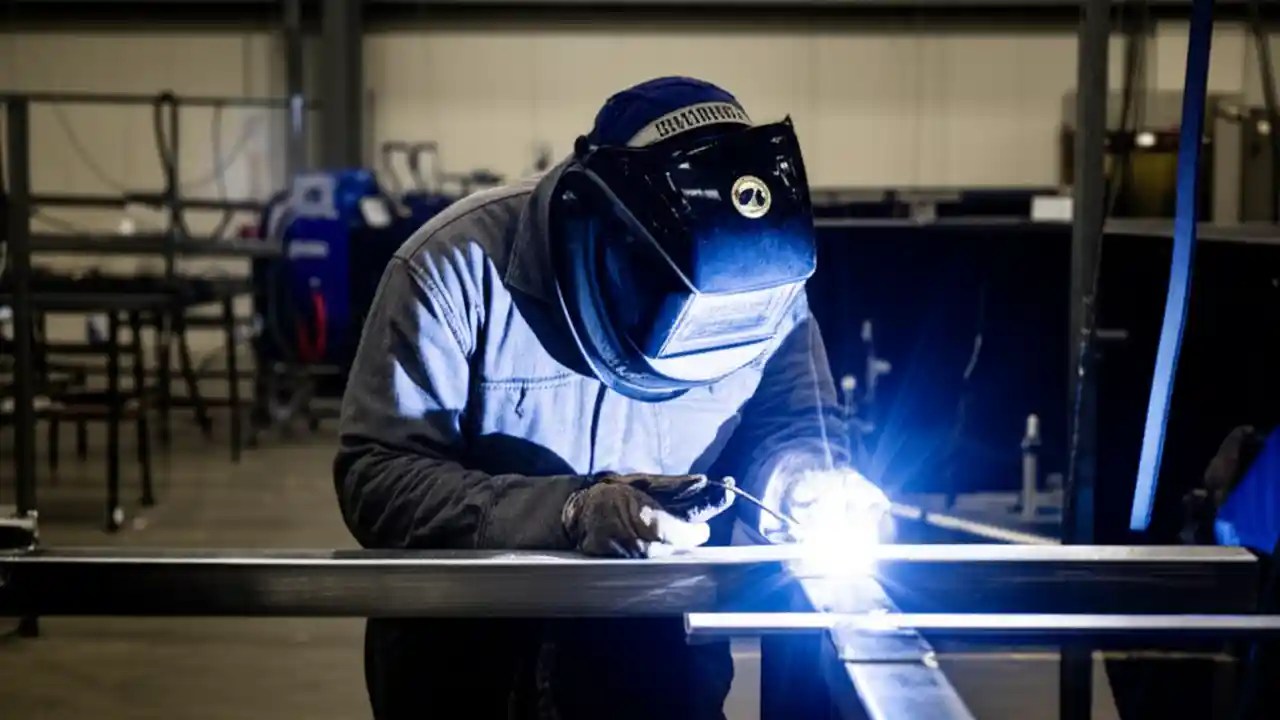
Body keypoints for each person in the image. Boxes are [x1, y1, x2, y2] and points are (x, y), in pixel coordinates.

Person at [334, 76, 889, 720]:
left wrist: (801, 482)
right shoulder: (454, 268)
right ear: (609, 238)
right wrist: (566, 512)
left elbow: (791, 426)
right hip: (466, 676)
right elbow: (377, 477)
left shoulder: (768, 282)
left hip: (656, 674)